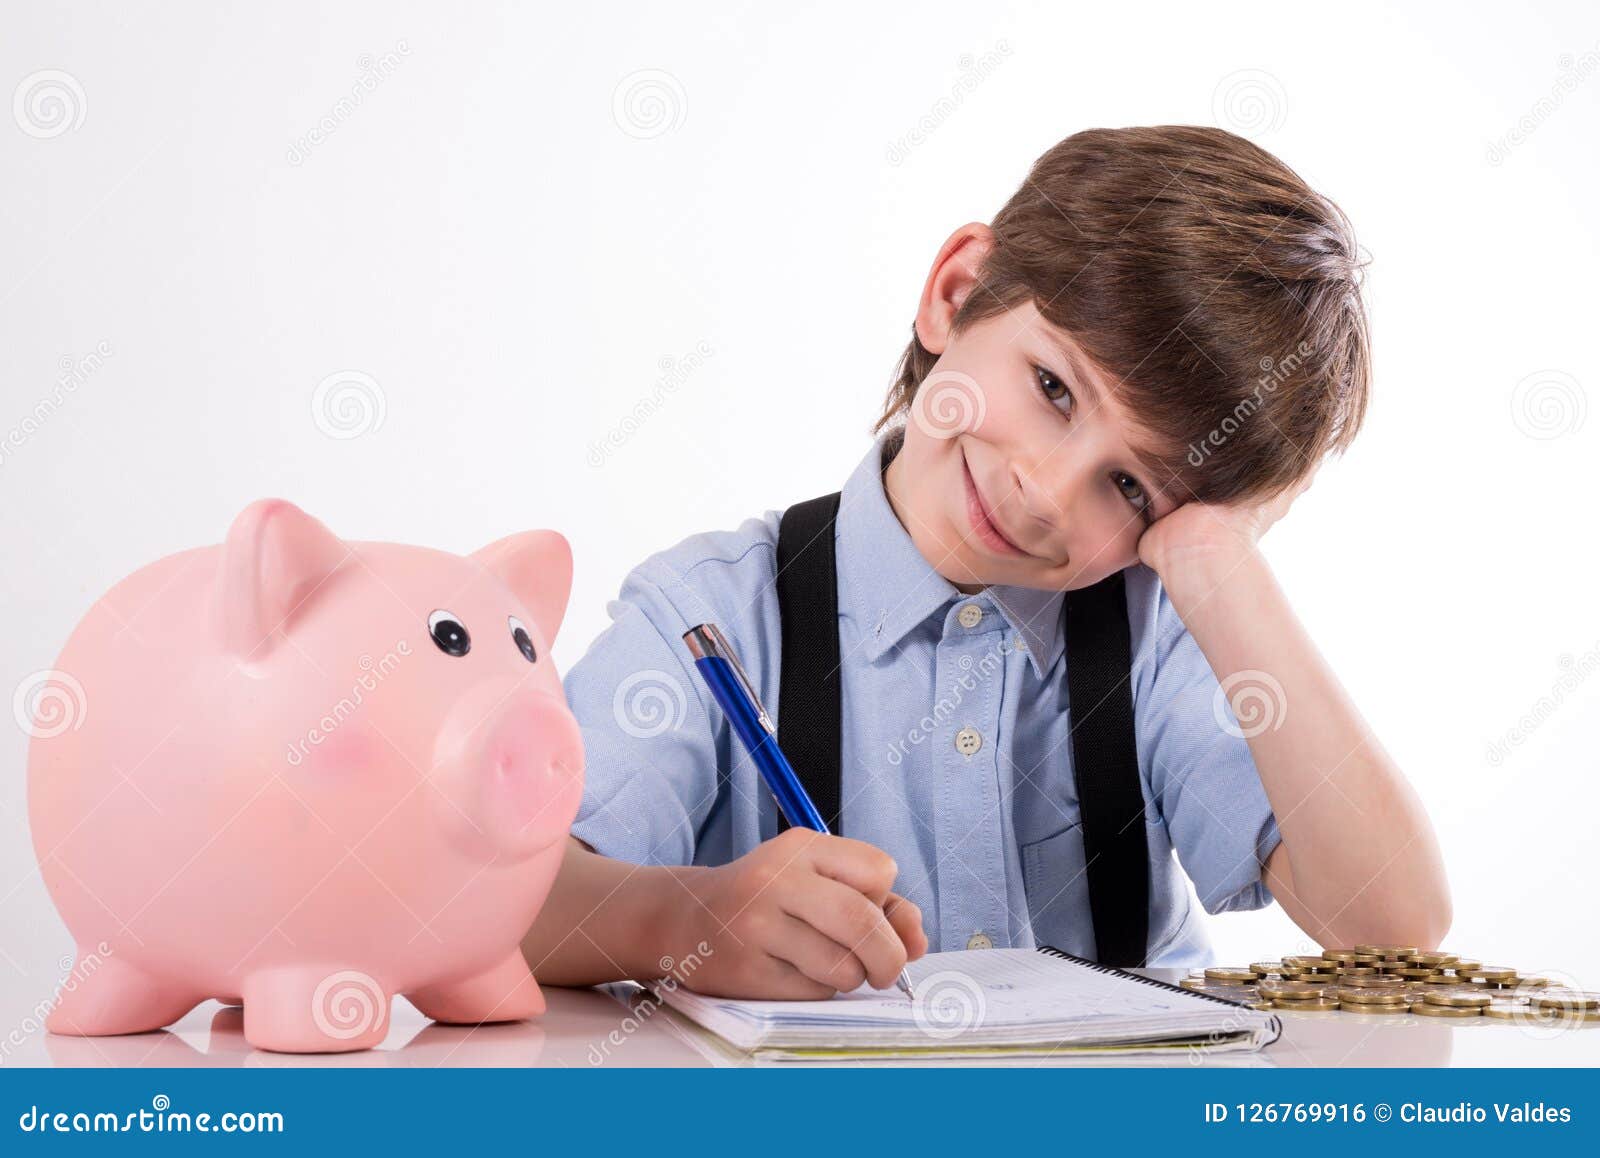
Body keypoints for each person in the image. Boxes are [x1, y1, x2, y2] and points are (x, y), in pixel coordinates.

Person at [521, 125, 1450, 999]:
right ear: (958, 291)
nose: (1046, 491)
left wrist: (1221, 563)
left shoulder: (1162, 639)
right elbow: (511, 895)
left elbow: (1391, 931)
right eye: (1053, 388)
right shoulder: (714, 613)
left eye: (1131, 487)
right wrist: (685, 920)